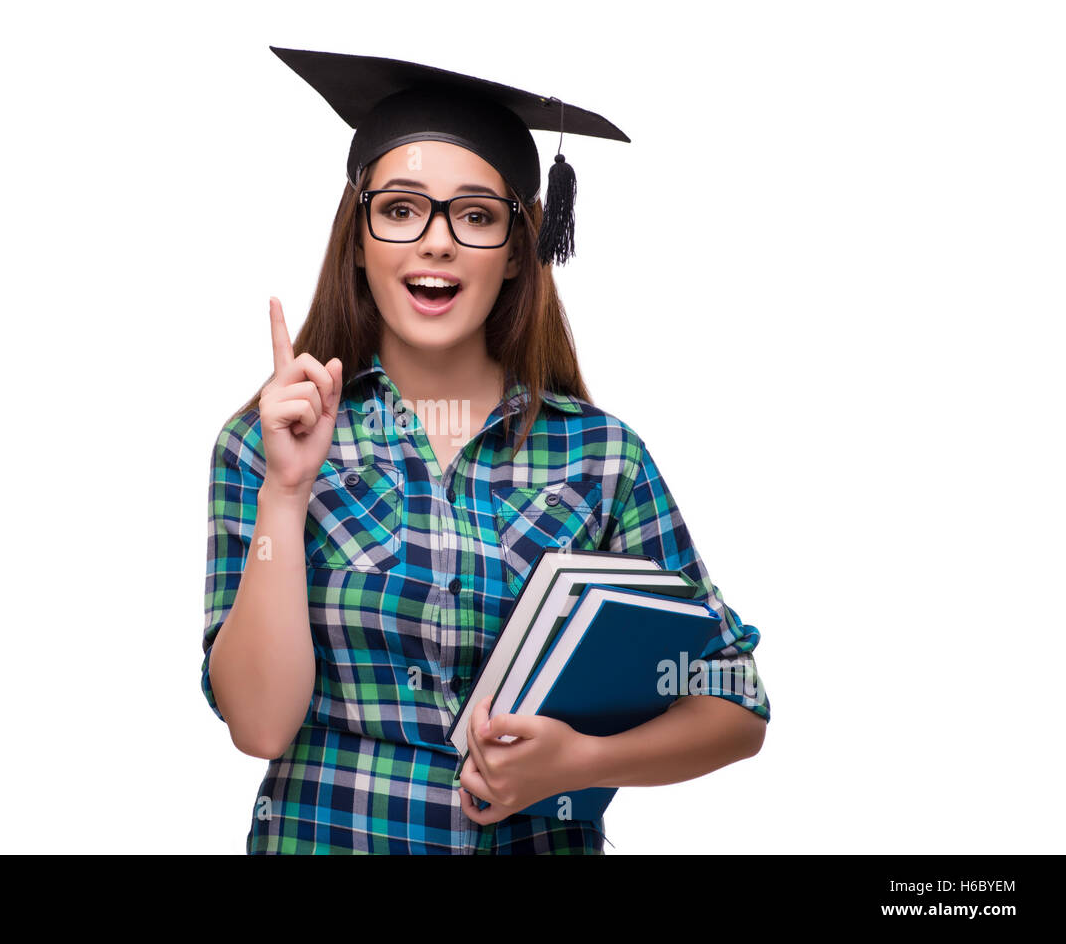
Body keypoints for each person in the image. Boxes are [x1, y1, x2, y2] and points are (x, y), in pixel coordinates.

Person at [201, 47, 770, 854]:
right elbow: (259, 725)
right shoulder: (266, 441)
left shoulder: (602, 458)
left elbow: (734, 696)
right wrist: (285, 495)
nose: (435, 242)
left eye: (474, 215)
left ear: (514, 249)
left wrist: (579, 760)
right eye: (399, 209)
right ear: (358, 237)